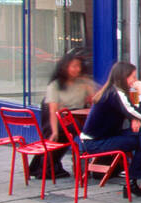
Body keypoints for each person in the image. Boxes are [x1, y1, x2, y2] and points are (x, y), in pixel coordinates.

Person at [79, 61, 141, 197]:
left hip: (102, 137)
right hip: (96, 143)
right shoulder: (117, 94)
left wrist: (134, 118)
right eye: (132, 77)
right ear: (123, 77)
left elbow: (135, 112)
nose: (135, 80)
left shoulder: (114, 91)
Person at [39, 52, 99, 182]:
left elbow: (96, 98)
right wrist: (54, 131)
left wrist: (89, 88)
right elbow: (53, 110)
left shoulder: (83, 82)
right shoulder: (55, 85)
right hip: (58, 118)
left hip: (76, 116)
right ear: (64, 67)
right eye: (73, 66)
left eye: (78, 66)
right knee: (71, 131)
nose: (77, 69)